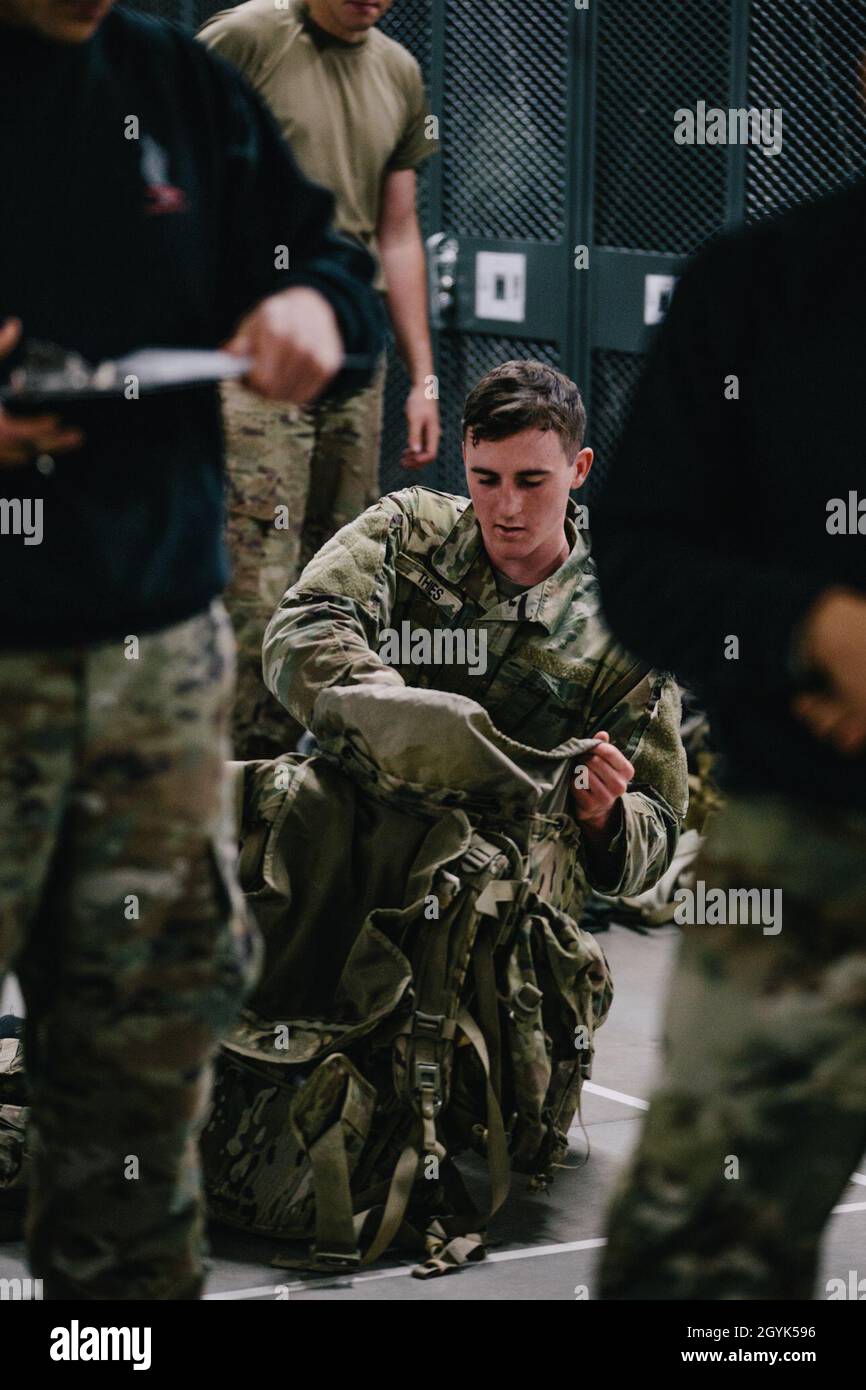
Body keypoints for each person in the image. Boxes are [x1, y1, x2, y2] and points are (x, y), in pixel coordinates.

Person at [0, 0, 383, 1300]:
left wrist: (307, 307)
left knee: (141, 1055)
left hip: (152, 671)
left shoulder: (172, 82)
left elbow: (331, 270)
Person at [592, 175, 866, 1299]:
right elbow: (641, 564)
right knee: (707, 1260)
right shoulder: (762, 287)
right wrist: (807, 629)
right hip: (804, 847)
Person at [263, 360, 688, 933]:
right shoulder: (409, 529)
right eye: (485, 479)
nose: (507, 507)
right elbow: (302, 626)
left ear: (579, 468)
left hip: (496, 890)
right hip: (367, 818)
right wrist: (395, 712)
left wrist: (605, 816)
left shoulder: (624, 634)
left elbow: (656, 832)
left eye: (531, 481)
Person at [199, 0, 441, 759]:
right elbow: (181, 179)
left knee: (335, 562)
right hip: (257, 345)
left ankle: (310, 772)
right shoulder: (244, 39)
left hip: (352, 350)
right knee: (254, 572)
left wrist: (422, 379)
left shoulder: (400, 70)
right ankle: (240, 773)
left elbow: (398, 235)